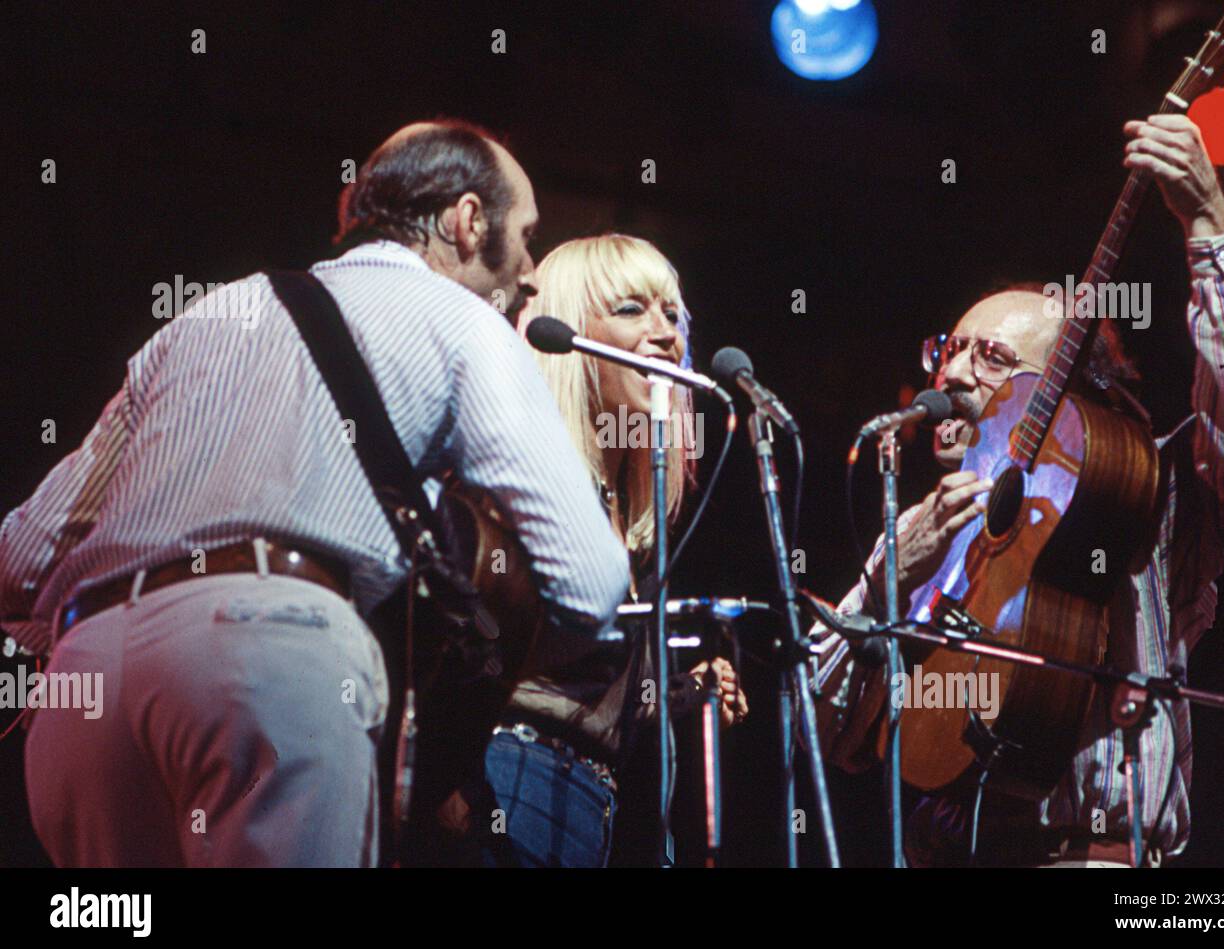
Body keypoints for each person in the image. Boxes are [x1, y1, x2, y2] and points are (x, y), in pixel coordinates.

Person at [0, 119, 629, 866]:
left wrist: (100, 629)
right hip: (271, 670)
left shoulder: (208, 314)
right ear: (466, 222)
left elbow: (20, 555)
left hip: (86, 696)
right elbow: (591, 581)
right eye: (526, 235)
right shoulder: (467, 324)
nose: (530, 271)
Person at [817, 114, 1224, 866]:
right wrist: (887, 580)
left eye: (993, 355)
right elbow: (825, 738)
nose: (954, 373)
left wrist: (1210, 223)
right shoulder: (916, 530)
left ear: (1065, 397)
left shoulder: (1140, 492)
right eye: (949, 349)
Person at [436, 234, 749, 867]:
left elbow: (583, 688)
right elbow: (445, 634)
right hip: (507, 786)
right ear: (569, 334)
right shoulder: (519, 481)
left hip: (585, 807)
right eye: (631, 310)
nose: (665, 333)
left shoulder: (610, 507)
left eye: (671, 313)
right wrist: (448, 790)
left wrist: (687, 689)